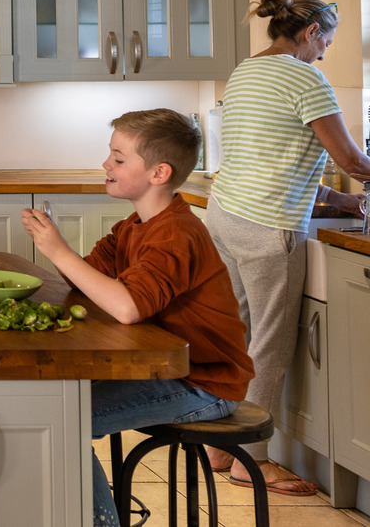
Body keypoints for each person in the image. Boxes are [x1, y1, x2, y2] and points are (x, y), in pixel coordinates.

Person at [20, 109, 254, 527]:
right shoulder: (135, 226)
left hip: (205, 384)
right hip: (164, 371)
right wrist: (55, 247)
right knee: (46, 402)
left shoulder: (176, 234)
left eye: (118, 158)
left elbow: (127, 308)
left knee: (63, 419)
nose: (105, 165)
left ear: (158, 173)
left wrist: (56, 248)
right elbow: (87, 278)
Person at [202, 0, 370, 494]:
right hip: (267, 226)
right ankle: (249, 460)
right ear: (311, 32)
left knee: (239, 335)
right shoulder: (306, 77)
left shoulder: (246, 70)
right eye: (327, 44)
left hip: (225, 214)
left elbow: (272, 158)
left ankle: (217, 446)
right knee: (270, 345)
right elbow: (351, 161)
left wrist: (344, 205)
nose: (324, 56)